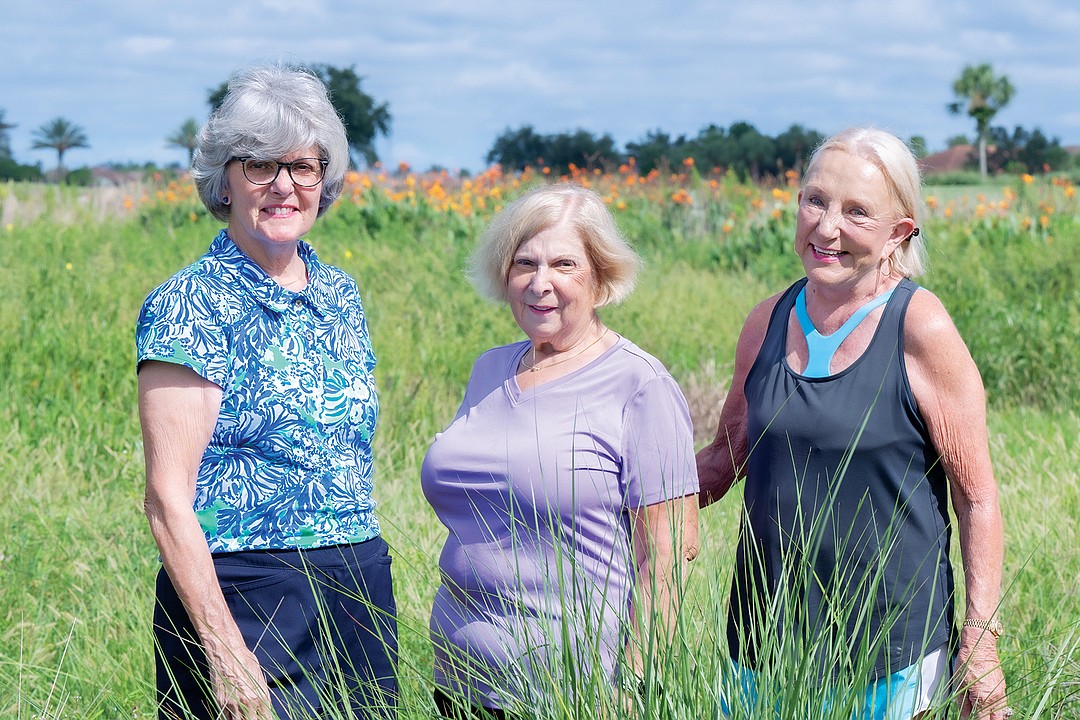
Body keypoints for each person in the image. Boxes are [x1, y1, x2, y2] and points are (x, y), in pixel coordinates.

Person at [697, 127, 1010, 719]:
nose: (827, 227)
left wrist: (981, 638)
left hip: (891, 656)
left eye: (857, 212)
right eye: (815, 200)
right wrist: (617, 487)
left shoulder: (922, 328)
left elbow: (977, 497)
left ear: (900, 232)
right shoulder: (767, 319)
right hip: (763, 647)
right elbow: (726, 457)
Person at [136, 65, 397, 720]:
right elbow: (168, 499)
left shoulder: (339, 294)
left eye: (303, 167)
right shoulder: (190, 303)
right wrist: (225, 650)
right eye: (259, 165)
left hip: (356, 581)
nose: (284, 185)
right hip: (248, 593)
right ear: (224, 178)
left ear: (324, 180)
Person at [421, 183, 700, 718]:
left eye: (564, 265)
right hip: (457, 683)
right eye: (525, 263)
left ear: (600, 277)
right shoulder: (489, 369)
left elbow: (667, 559)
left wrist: (634, 687)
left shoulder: (638, 385)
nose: (540, 283)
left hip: (575, 691)